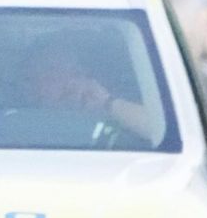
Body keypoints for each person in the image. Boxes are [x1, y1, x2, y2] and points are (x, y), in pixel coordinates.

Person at [24, 32, 161, 141]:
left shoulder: (115, 119)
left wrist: (108, 104)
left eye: (73, 71)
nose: (67, 81)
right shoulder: (19, 130)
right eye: (50, 72)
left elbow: (160, 130)